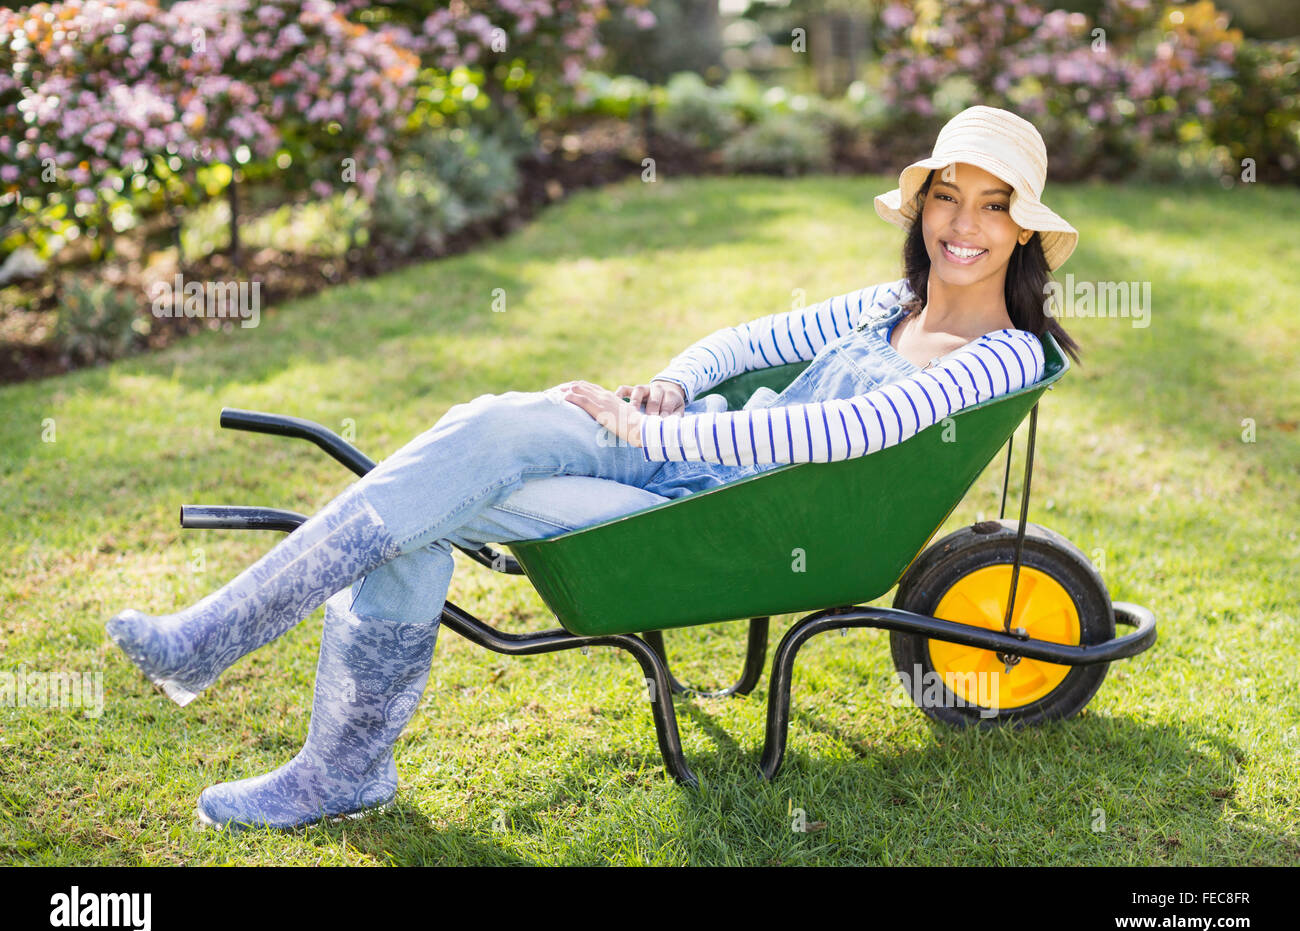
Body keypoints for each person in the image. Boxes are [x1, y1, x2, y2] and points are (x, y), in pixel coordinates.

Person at [107, 104, 1082, 831]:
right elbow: (747, 339)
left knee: (446, 490)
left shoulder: (1000, 353)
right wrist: (665, 384)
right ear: (920, 210)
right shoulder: (887, 304)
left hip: (736, 511)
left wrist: (652, 432)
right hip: (690, 462)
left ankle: (309, 737)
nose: (963, 224)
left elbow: (842, 435)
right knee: (480, 430)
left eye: (992, 207)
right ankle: (289, 717)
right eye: (945, 198)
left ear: (1025, 230)